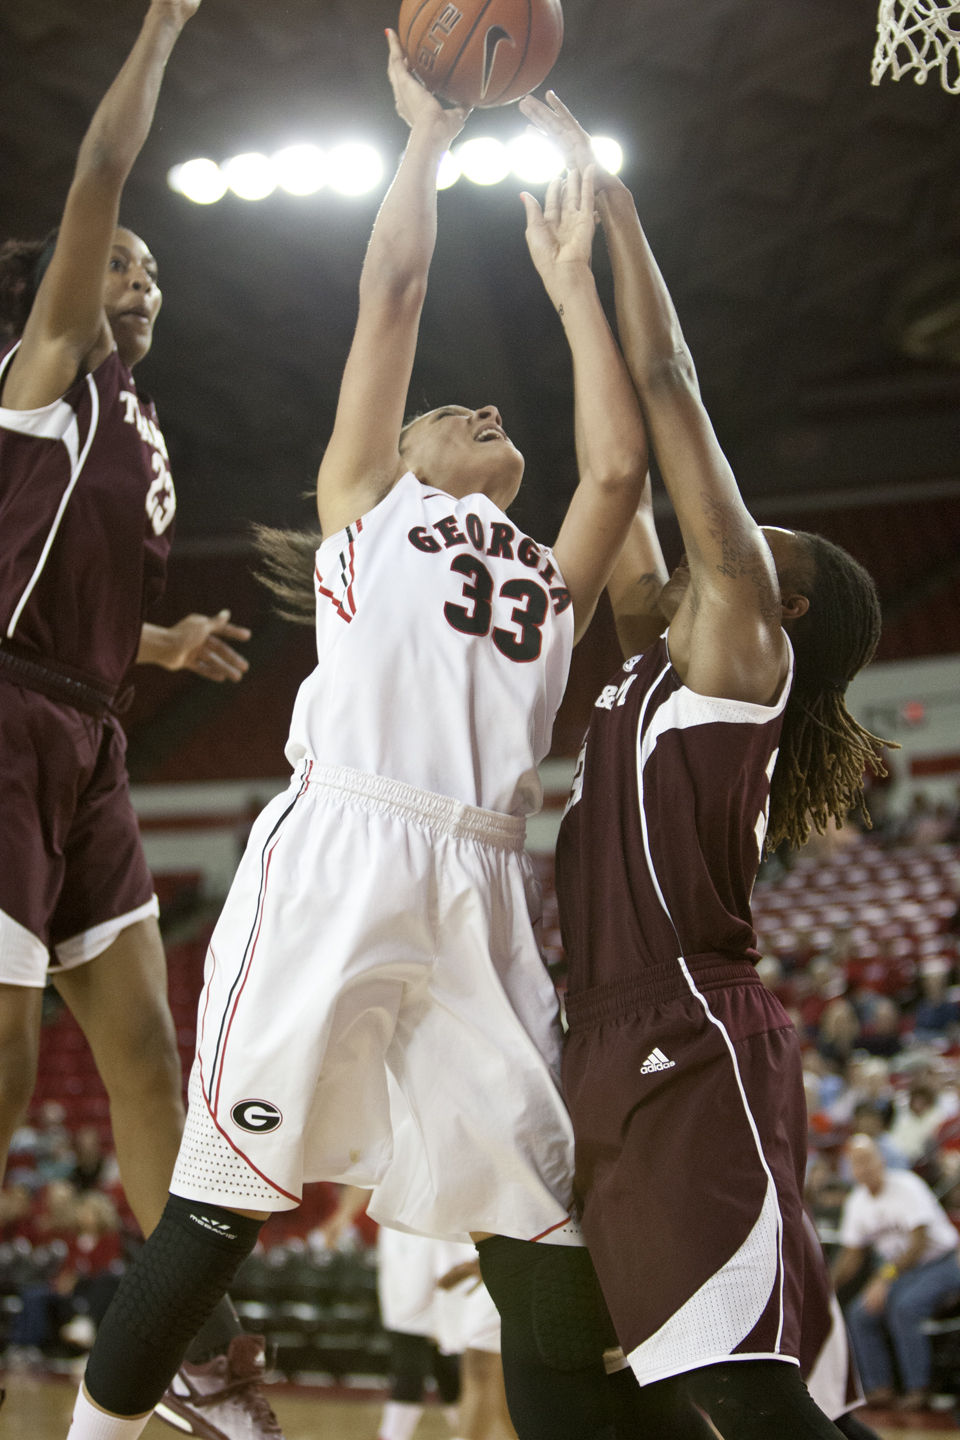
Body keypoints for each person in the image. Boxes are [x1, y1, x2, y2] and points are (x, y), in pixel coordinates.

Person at [62, 29, 659, 1440]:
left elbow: (620, 467)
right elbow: (393, 286)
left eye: (491, 410)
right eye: (453, 412)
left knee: (537, 1225)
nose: (485, 409)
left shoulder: (550, 577)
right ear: (397, 461)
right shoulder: (364, 507)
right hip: (343, 844)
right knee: (222, 1196)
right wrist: (428, 143)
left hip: (485, 883)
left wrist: (575, 287)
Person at [520, 90, 896, 1438]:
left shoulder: (742, 661)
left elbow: (671, 393)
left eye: (756, 543)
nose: (730, 537)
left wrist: (615, 210)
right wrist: (569, 293)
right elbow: (610, 470)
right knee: (699, 1388)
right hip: (615, 1039)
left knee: (731, 1387)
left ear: (778, 610)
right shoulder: (640, 655)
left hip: (689, 1032)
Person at [0, 4, 282, 1436]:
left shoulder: (135, 420)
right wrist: (163, 27)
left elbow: (82, 592)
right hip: (3, 732)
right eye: (120, 258)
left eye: (154, 268)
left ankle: (192, 1356)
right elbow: (100, 168)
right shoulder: (45, 369)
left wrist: (161, 638)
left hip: (90, 742)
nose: (139, 276)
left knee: (153, 1073)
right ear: (60, 279)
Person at [832, 1132, 960, 1410]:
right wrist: (828, 1284)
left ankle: (918, 1389)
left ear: (881, 1160)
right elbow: (852, 1254)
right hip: (900, 1273)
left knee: (904, 1308)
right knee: (860, 1313)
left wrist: (884, 1279)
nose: (864, 1167)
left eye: (868, 1160)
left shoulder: (907, 1186)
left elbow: (919, 1242)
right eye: (857, 1163)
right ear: (851, 1169)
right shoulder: (857, 1202)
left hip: (941, 1265)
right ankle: (880, 1387)